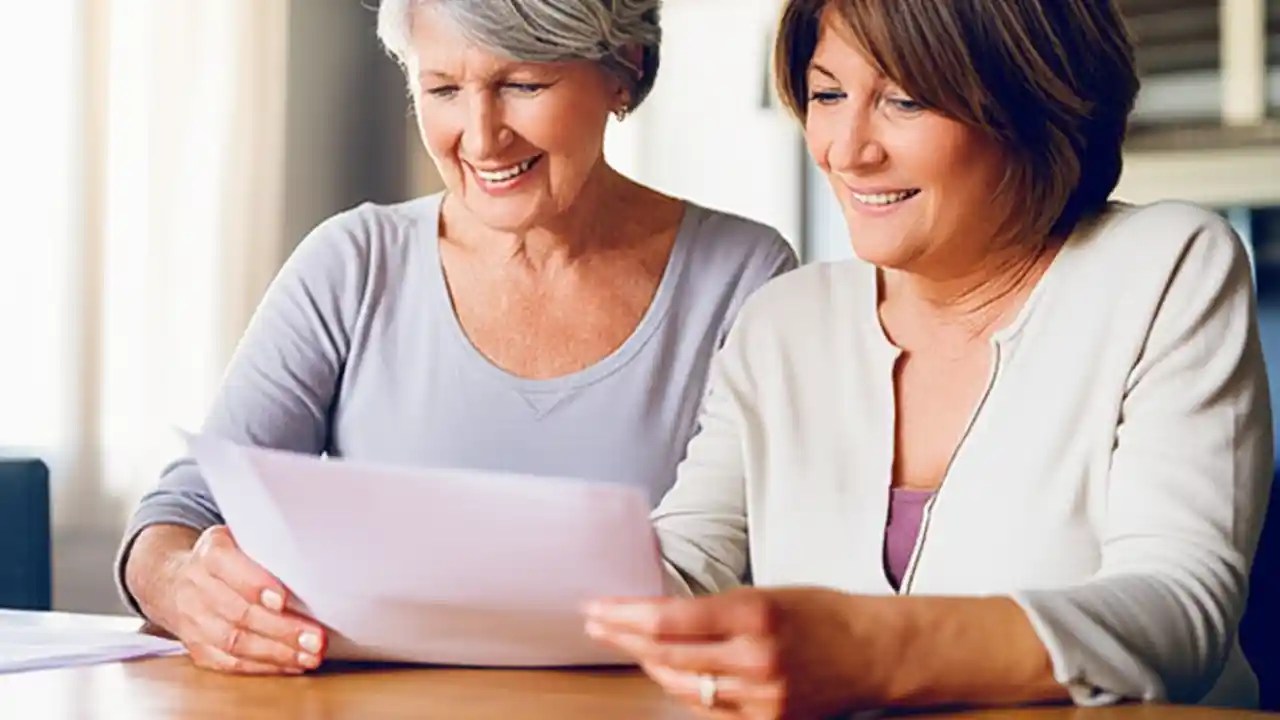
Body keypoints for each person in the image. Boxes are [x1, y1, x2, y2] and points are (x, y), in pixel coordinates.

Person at [584, 0, 1273, 716]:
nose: (847, 150)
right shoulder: (782, 323)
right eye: (827, 95)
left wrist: (870, 648)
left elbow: (1179, 611)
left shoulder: (1164, 267)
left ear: (1034, 99)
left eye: (904, 101)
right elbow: (682, 568)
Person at [116, 0, 797, 676]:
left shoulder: (744, 276)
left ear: (623, 68)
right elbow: (184, 511)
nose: (480, 137)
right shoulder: (354, 263)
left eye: (522, 86)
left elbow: (768, 569)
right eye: (442, 89)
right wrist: (183, 586)